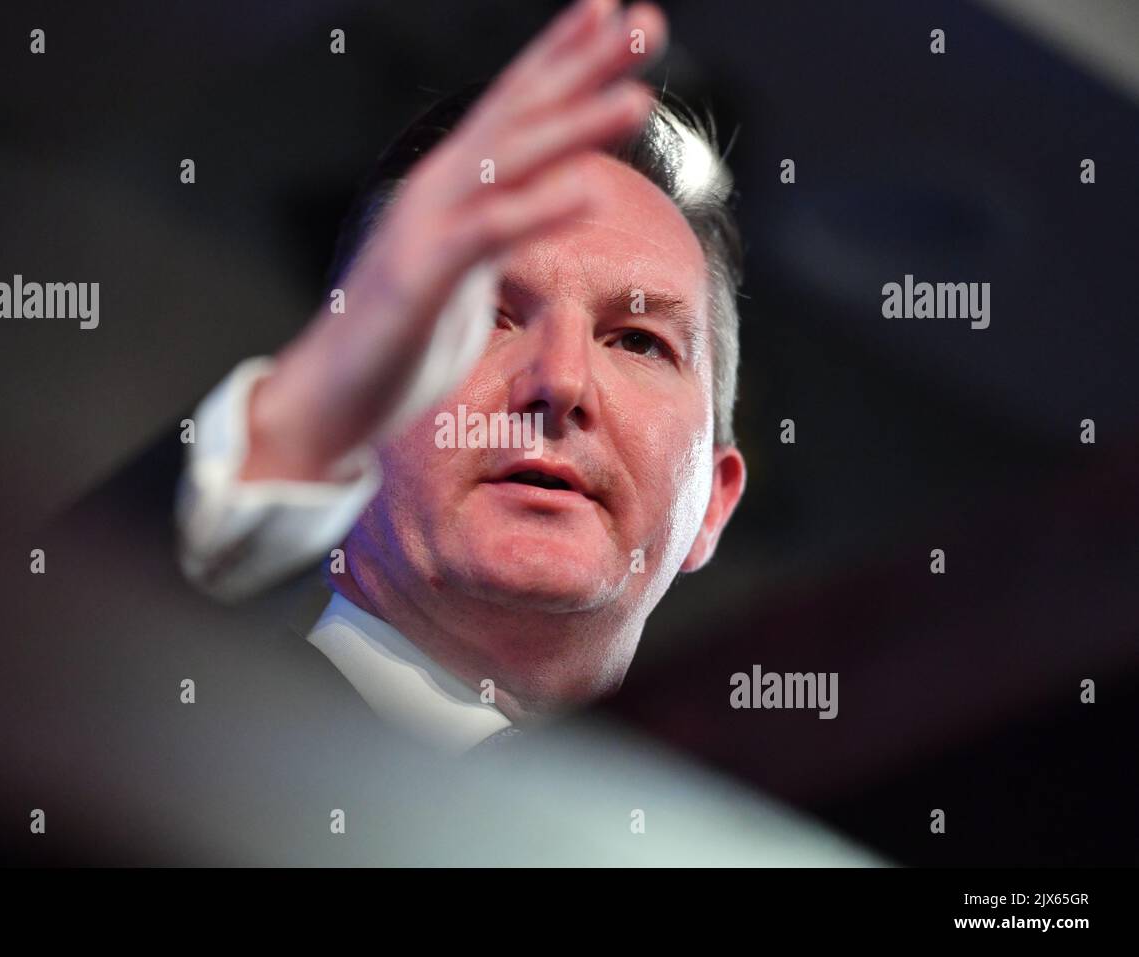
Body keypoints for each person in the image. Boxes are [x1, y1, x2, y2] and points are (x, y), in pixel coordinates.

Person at [176, 0, 747, 756]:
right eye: (481, 317)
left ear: (713, 499)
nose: (562, 381)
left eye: (638, 340)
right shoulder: (166, 725)